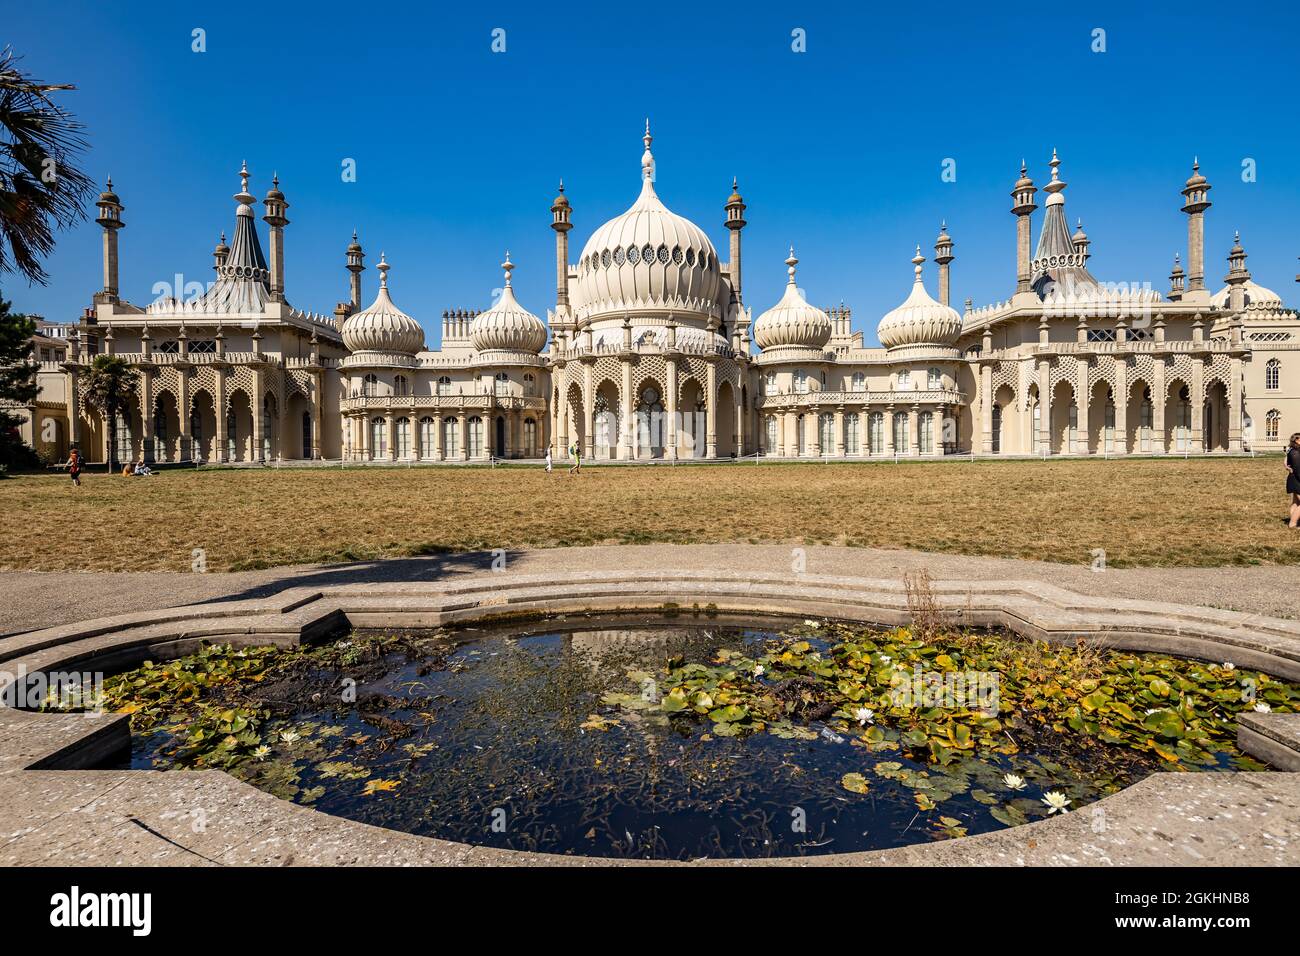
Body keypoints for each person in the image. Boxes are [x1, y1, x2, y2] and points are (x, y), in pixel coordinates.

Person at [1286, 432, 1300, 529]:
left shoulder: (1293, 450)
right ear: (1296, 440)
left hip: (1294, 479)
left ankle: (1294, 522)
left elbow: (1286, 463)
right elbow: (1297, 468)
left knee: (1295, 502)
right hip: (1297, 479)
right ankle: (1293, 523)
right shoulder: (1295, 452)